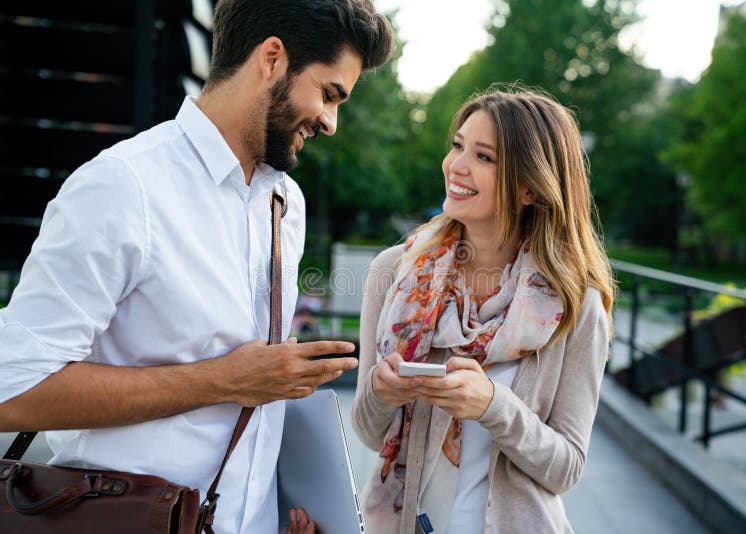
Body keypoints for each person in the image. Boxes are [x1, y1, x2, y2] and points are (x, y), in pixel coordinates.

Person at [0, 1, 392, 533]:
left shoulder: (286, 204)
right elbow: (12, 389)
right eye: (328, 93)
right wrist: (221, 381)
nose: (331, 121)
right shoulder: (124, 185)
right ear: (272, 58)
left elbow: (252, 403)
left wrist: (282, 514)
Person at [351, 88, 614, 533]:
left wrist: (493, 406)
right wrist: (383, 392)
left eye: (484, 157)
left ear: (530, 186)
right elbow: (369, 431)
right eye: (457, 145)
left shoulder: (574, 304)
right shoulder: (393, 274)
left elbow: (566, 467)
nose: (456, 165)